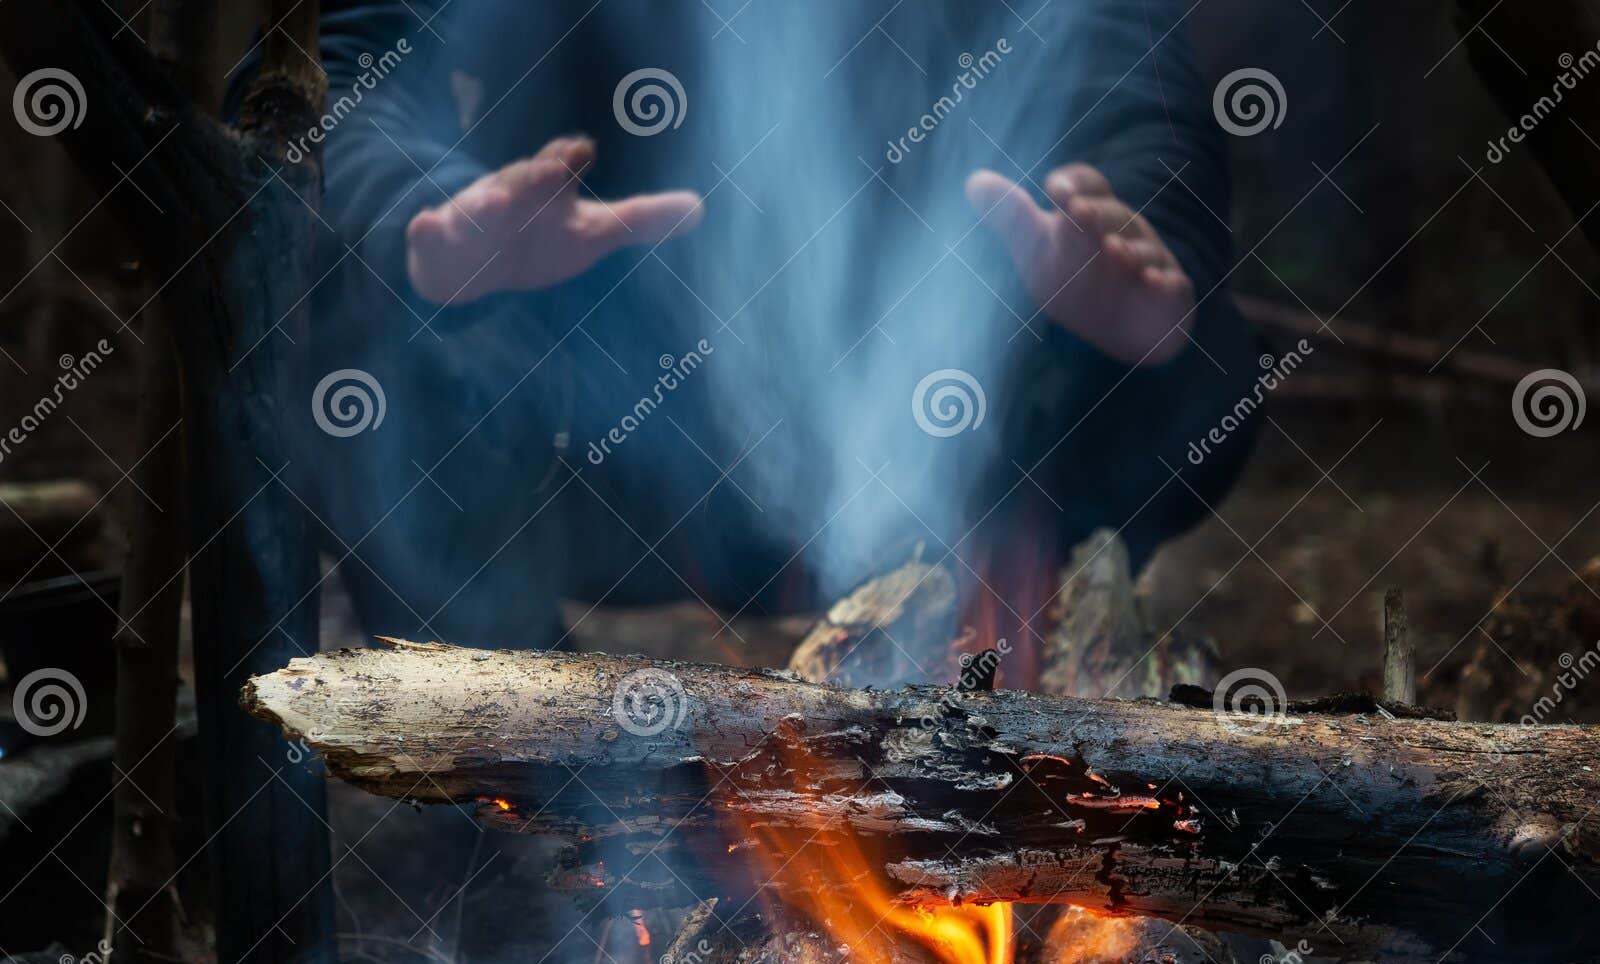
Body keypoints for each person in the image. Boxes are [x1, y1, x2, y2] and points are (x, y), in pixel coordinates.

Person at [278, 0, 1262, 655]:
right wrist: (422, 216)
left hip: (952, 442)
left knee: (1190, 365)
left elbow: (1125, 57)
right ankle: (532, 796)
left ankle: (993, 741)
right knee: (352, 362)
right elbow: (343, 63)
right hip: (613, 429)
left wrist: (1137, 245)